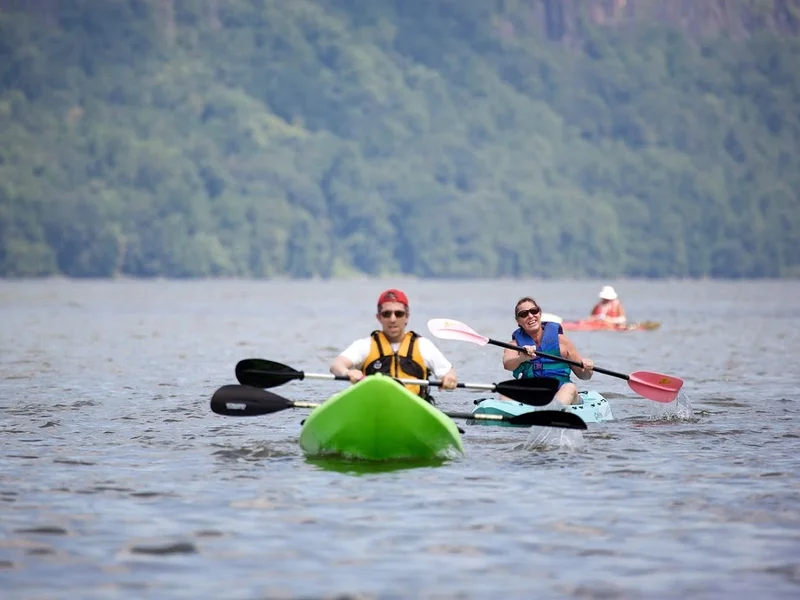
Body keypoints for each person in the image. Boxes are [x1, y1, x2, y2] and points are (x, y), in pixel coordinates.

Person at [329, 288, 458, 403]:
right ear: (379, 318)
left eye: (398, 314)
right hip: (373, 407)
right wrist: (347, 372)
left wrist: (449, 378)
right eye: (387, 314)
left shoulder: (424, 346)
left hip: (413, 408)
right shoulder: (365, 345)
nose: (392, 319)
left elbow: (448, 372)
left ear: (407, 317)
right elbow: (336, 365)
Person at [502, 296, 594, 406]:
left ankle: (551, 410)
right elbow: (507, 364)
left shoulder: (562, 341)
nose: (530, 316)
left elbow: (584, 376)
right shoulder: (515, 345)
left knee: (570, 387)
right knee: (506, 392)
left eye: (534, 311)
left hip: (563, 392)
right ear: (518, 321)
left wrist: (588, 369)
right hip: (533, 393)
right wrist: (521, 358)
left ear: (540, 313)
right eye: (523, 314)